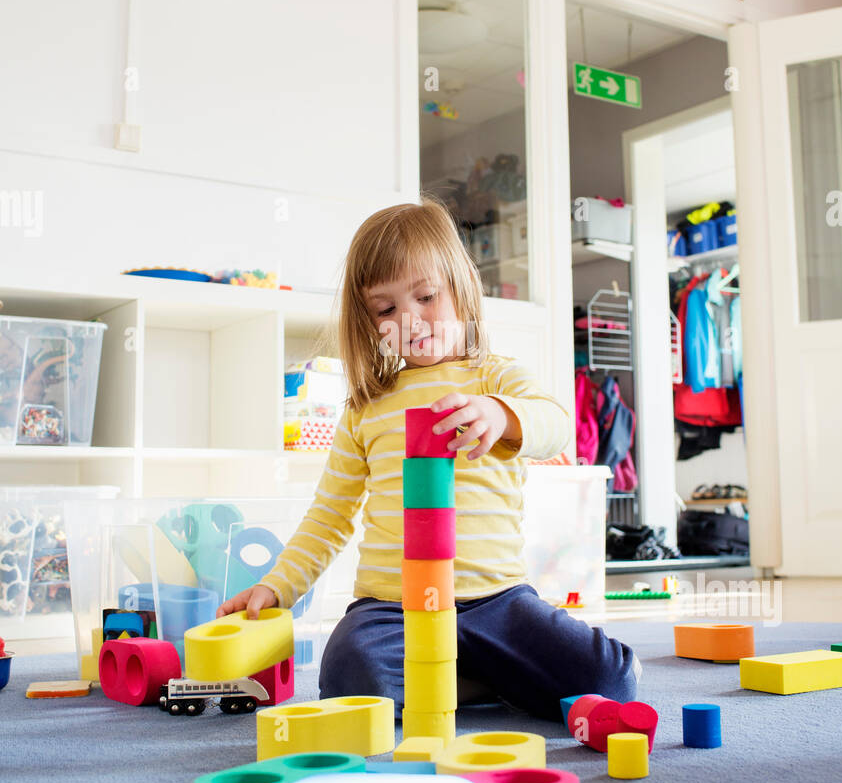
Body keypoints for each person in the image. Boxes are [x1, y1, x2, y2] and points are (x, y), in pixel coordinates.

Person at [217, 197, 640, 721]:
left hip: (495, 602)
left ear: (459, 284)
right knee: (349, 678)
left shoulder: (496, 378)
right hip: (392, 607)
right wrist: (276, 585)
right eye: (386, 309)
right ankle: (476, 679)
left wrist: (501, 416)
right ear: (368, 321)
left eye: (425, 296)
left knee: (611, 679)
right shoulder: (366, 407)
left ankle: (461, 674)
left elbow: (556, 430)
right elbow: (328, 516)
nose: (410, 320)